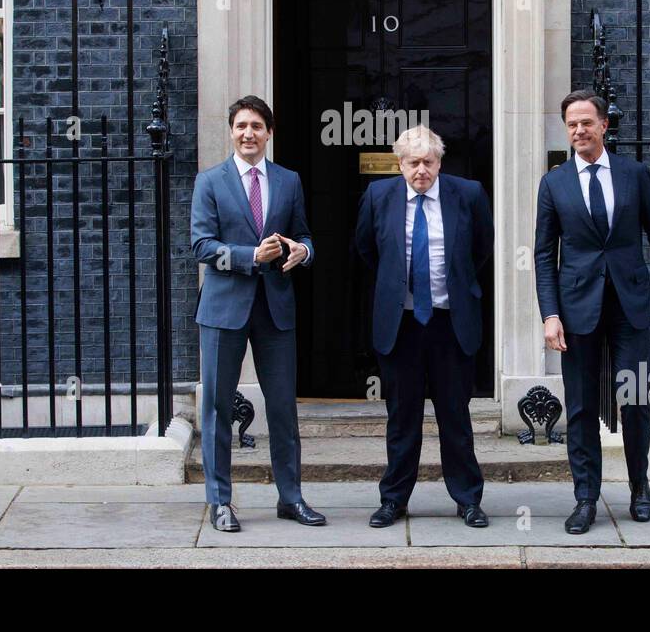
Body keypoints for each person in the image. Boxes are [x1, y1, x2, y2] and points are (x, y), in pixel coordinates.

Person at [534, 90, 650, 534]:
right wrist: (549, 313)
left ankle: (640, 486)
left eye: (586, 123)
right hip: (576, 307)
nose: (579, 130)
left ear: (603, 126)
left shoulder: (633, 174)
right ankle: (585, 498)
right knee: (579, 407)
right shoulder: (554, 182)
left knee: (634, 400)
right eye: (571, 124)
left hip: (629, 305)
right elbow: (544, 254)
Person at [190, 95, 325, 532]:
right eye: (241, 126)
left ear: (269, 133)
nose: (248, 133)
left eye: (257, 126)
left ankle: (291, 498)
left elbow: (304, 234)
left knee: (283, 408)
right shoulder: (209, 182)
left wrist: (303, 251)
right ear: (231, 131)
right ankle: (221, 502)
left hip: (276, 309)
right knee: (216, 409)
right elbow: (201, 246)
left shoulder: (289, 181)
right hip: (223, 310)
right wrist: (251, 255)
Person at [354, 125, 494, 529]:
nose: (421, 171)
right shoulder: (379, 196)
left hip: (451, 324)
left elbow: (481, 247)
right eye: (413, 163)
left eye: (428, 162)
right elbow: (366, 248)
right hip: (401, 326)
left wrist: (457, 284)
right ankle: (393, 499)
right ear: (400, 164)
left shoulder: (467, 194)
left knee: (455, 416)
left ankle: (468, 499)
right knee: (402, 417)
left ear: (439, 162)